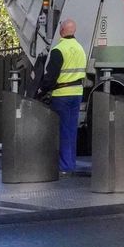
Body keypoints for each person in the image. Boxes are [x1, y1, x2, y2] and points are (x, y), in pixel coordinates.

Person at [37, 19, 87, 173]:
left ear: (62, 30)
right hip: (77, 93)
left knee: (62, 131)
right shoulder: (80, 49)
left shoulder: (59, 50)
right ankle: (70, 164)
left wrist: (41, 90)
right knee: (71, 130)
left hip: (62, 94)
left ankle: (64, 166)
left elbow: (51, 76)